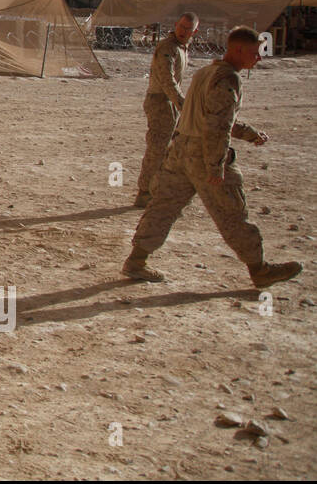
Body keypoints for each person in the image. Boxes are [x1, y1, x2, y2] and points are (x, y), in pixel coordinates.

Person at [123, 26, 302, 288]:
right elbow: (216, 126)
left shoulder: (206, 73)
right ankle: (259, 268)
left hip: (180, 150)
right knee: (231, 213)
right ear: (238, 50)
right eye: (255, 52)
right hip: (204, 153)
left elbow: (214, 118)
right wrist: (216, 167)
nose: (258, 58)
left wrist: (251, 134)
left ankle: (137, 260)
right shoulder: (228, 79)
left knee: (163, 207)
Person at [135, 13, 198, 207]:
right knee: (157, 148)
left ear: (194, 31)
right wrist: (182, 105)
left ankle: (161, 189)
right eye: (181, 26)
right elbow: (167, 80)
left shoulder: (181, 48)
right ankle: (145, 192)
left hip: (170, 103)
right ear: (176, 25)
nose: (183, 31)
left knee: (173, 150)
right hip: (161, 103)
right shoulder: (167, 48)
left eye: (188, 29)